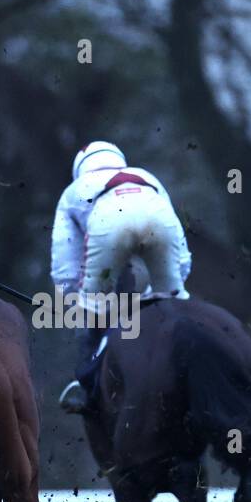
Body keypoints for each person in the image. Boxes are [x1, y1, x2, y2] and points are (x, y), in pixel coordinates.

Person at [50, 141, 192, 413]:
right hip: (159, 220)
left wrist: (72, 301)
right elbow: (182, 259)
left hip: (108, 225)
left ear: (80, 170)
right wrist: (165, 290)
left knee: (91, 313)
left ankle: (86, 386)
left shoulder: (73, 192)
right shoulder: (149, 177)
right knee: (177, 306)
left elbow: (66, 268)